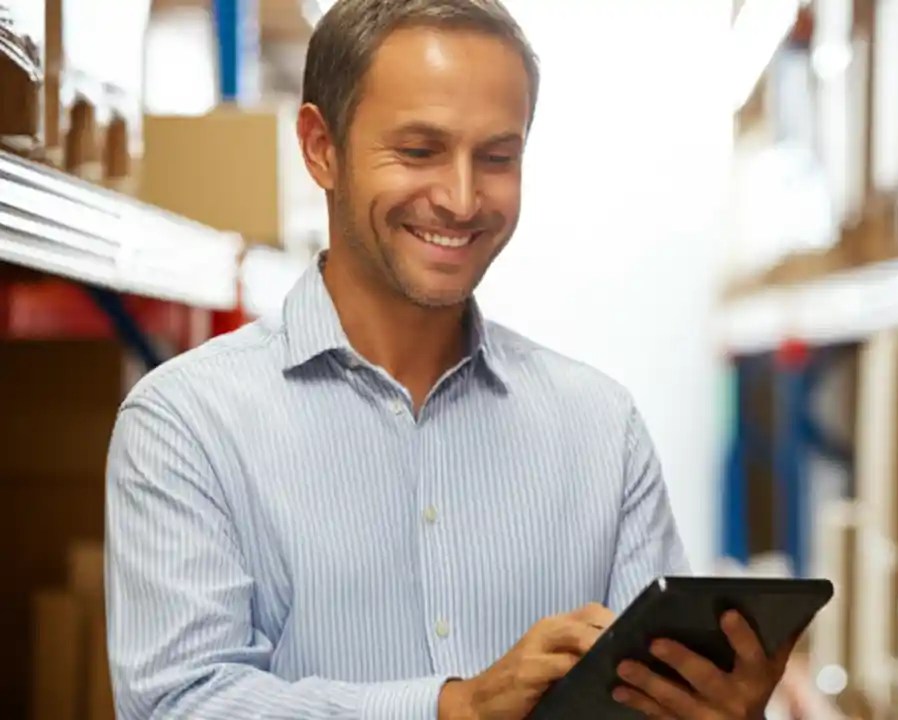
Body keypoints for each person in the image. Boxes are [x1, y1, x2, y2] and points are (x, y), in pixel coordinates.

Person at [104, 1, 795, 718]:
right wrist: (453, 708)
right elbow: (179, 705)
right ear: (320, 147)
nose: (462, 199)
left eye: (497, 158)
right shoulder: (185, 423)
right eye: (418, 151)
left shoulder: (601, 428)